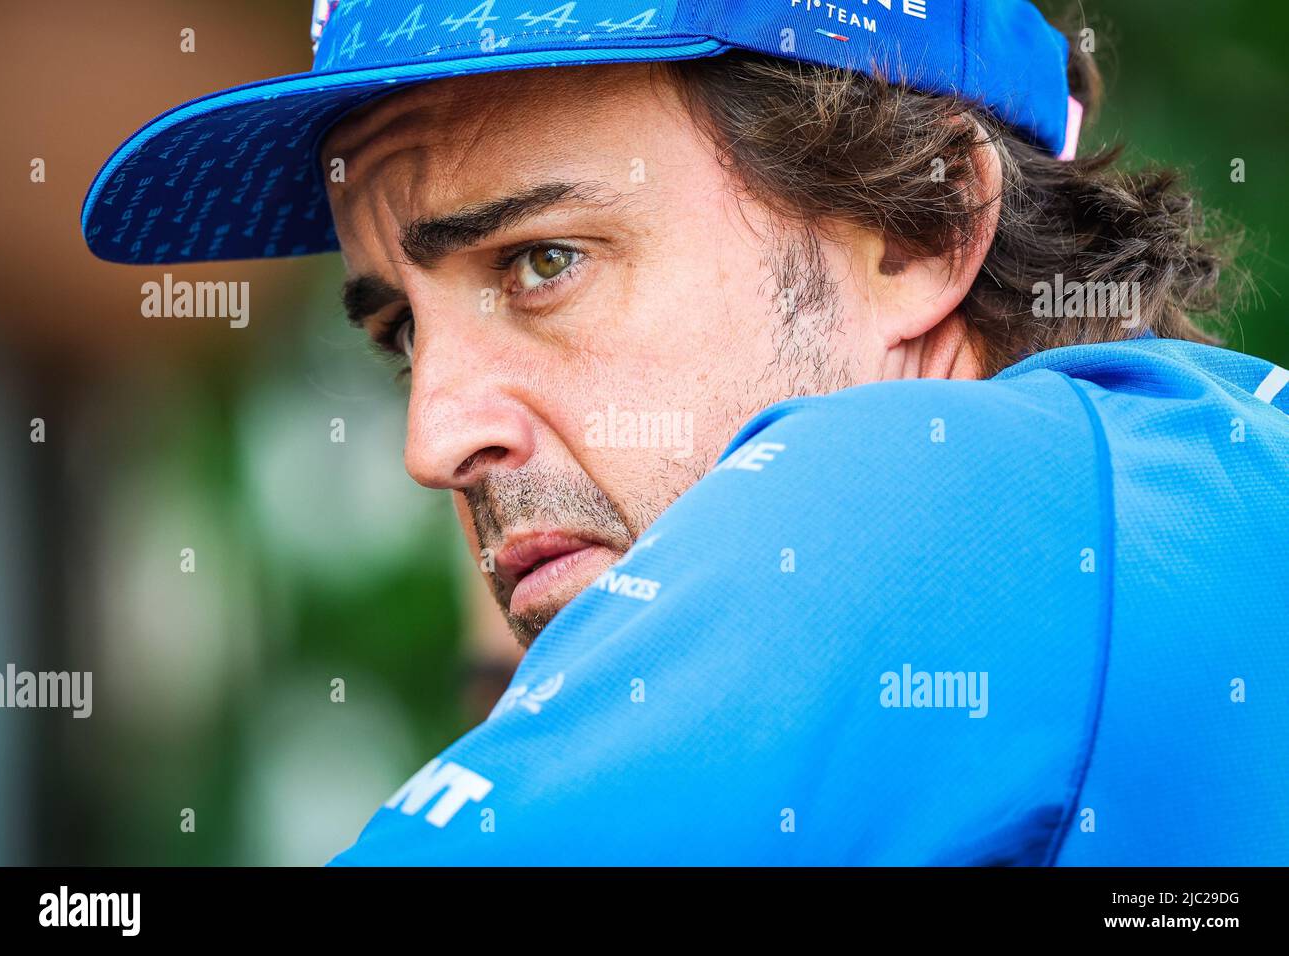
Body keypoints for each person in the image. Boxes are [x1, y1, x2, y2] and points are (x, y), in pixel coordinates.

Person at [83, 0, 1289, 864]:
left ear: (920, 225)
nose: (434, 435)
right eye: (402, 330)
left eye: (541, 261)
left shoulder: (944, 489)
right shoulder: (1171, 494)